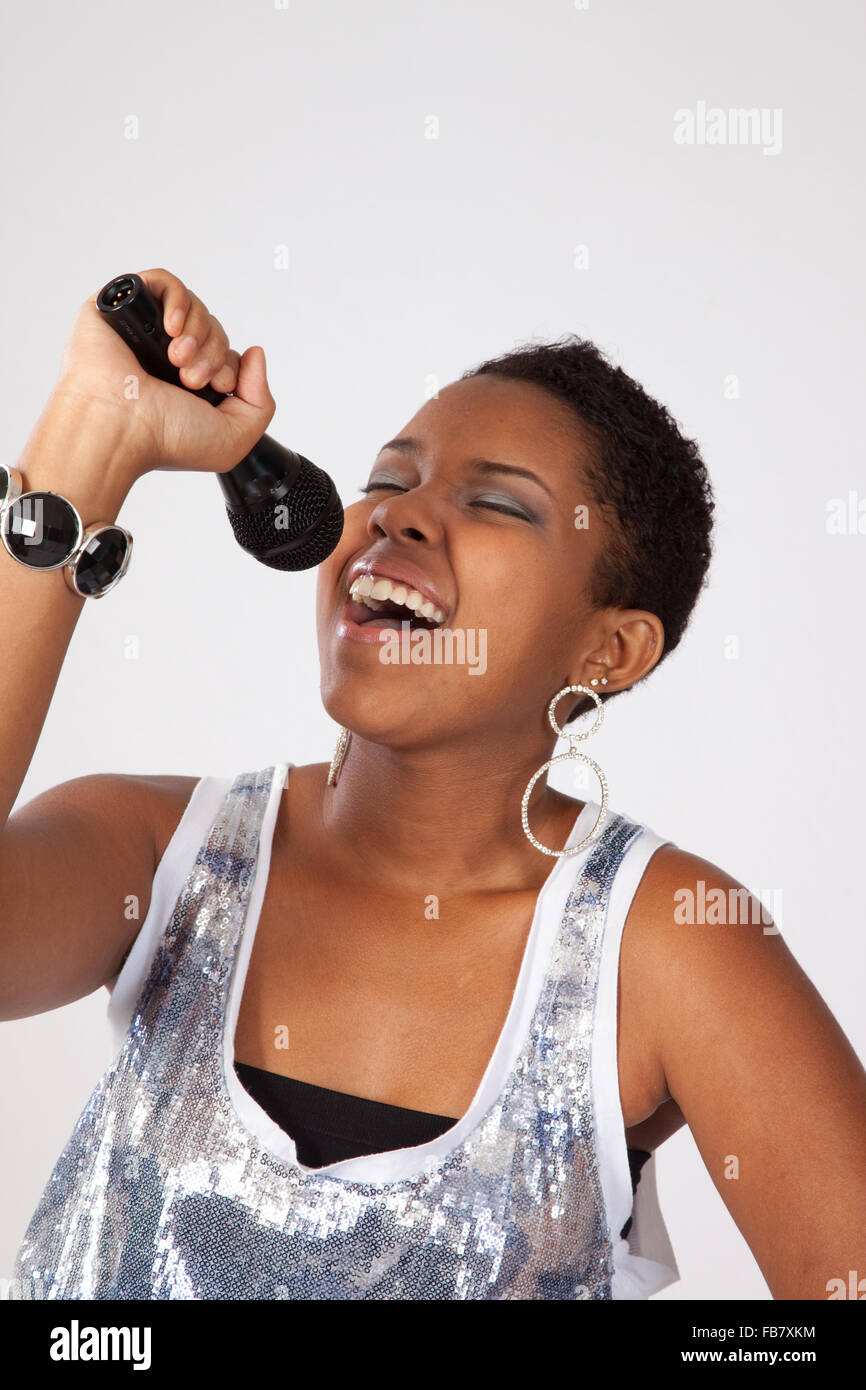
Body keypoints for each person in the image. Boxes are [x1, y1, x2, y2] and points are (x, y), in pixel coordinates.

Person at [3, 269, 865, 1301]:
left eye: (496, 501)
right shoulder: (156, 851)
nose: (396, 517)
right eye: (386, 478)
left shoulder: (669, 944)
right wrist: (93, 434)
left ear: (611, 648)